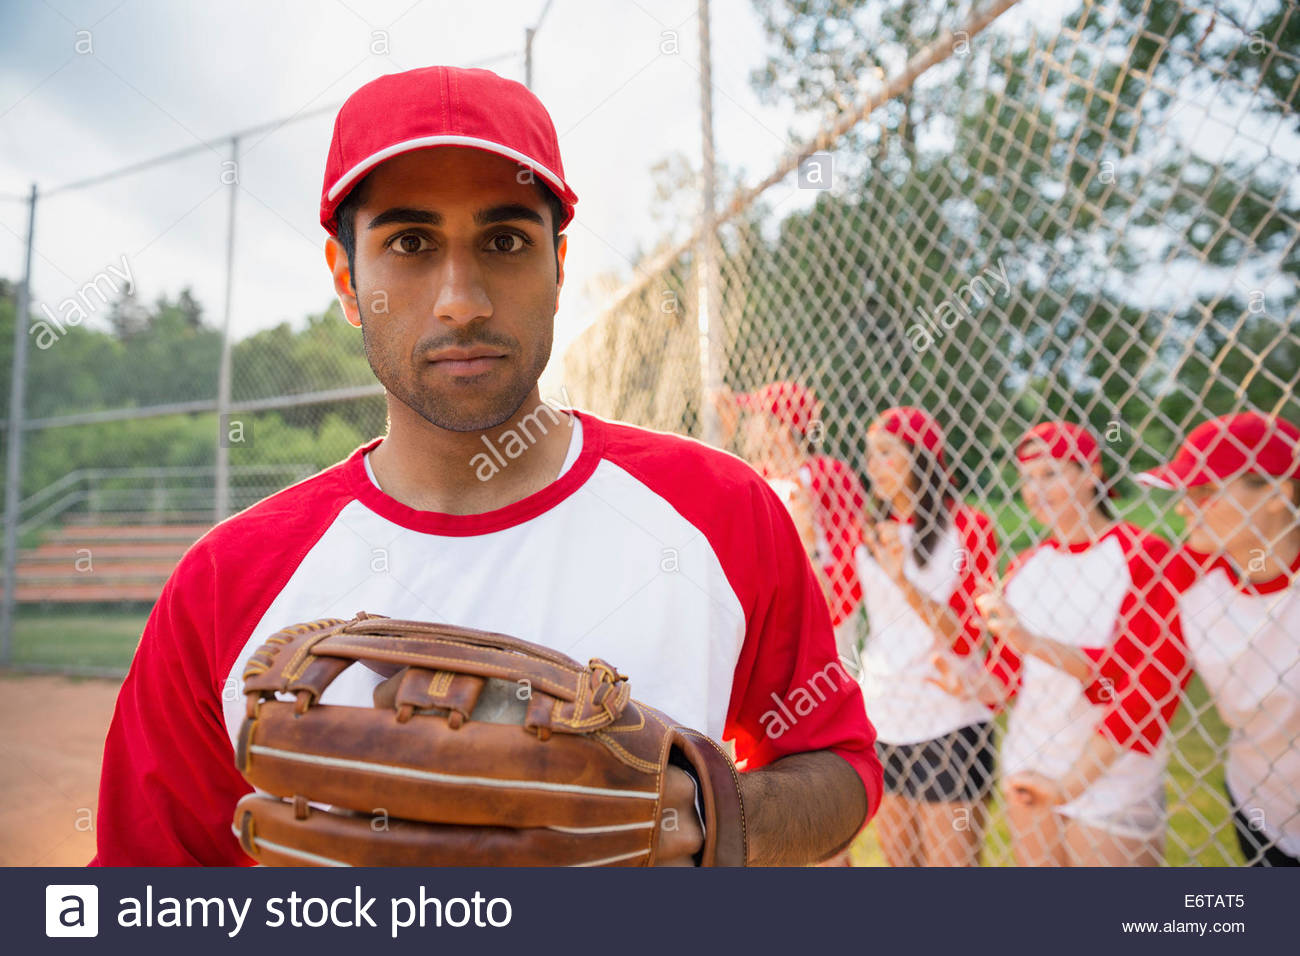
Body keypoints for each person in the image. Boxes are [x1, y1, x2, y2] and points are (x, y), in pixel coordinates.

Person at [90, 66, 882, 866]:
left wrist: (710, 818)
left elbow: (838, 764)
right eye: (409, 243)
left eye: (505, 241)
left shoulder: (720, 510)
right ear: (347, 280)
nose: (461, 299)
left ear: (560, 267)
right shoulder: (226, 583)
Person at [942, 422, 1189, 866]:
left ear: (1092, 471)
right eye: (1026, 480)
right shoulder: (1026, 566)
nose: (1035, 491)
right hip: (1032, 762)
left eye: (1051, 474)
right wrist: (966, 683)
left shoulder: (1142, 554)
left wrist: (1030, 640)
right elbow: (1009, 679)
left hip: (1111, 772)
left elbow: (1130, 677)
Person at [1137, 411, 1300, 866]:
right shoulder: (1187, 578)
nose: (1185, 507)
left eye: (1205, 491)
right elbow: (1144, 692)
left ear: (1276, 493)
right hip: (1260, 806)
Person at [854, 406, 1000, 866]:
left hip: (948, 719)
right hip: (885, 717)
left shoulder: (968, 527)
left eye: (887, 454)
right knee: (901, 863)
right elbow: (835, 604)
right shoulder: (870, 531)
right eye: (870, 455)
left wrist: (904, 581)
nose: (874, 467)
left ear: (921, 459)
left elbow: (966, 639)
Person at [715, 381, 868, 672]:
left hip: (820, 637)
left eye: (755, 420)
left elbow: (848, 568)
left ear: (781, 429)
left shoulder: (826, 476)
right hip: (770, 634)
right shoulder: (758, 474)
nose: (746, 428)